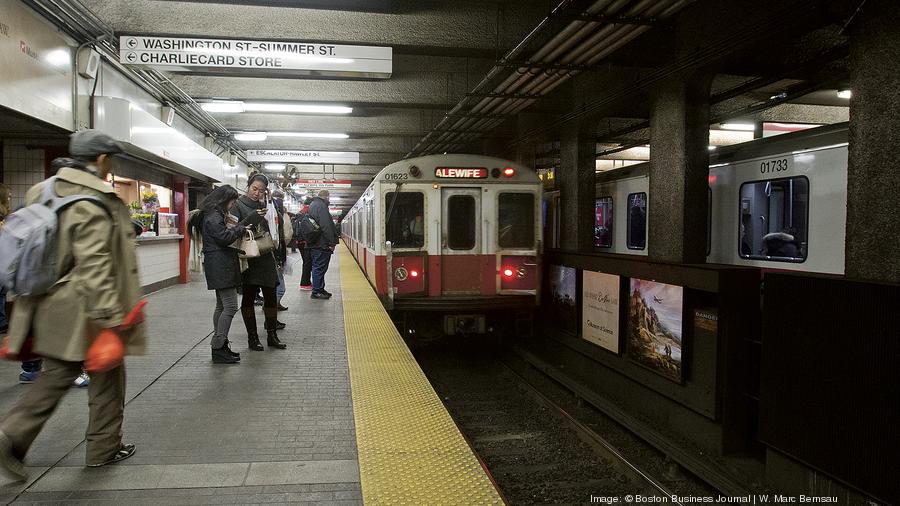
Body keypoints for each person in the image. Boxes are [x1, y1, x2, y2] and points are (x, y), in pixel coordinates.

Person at [0, 130, 145, 480]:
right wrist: (112, 320)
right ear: (100, 160)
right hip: (85, 309)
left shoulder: (42, 189)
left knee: (57, 376)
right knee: (108, 380)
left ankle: (13, 437)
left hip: (43, 302)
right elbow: (95, 264)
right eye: (110, 159)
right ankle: (101, 448)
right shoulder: (96, 198)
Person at [190, 185, 258, 364]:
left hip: (218, 264)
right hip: (221, 265)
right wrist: (240, 228)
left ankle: (221, 345)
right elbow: (224, 238)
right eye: (232, 201)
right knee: (230, 306)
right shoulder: (214, 216)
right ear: (224, 199)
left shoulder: (213, 214)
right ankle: (218, 346)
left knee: (221, 306)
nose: (233, 204)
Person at [230, 174, 287, 351]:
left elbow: (276, 227)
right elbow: (235, 230)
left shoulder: (266, 204)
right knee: (248, 298)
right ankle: (252, 338)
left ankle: (272, 335)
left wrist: (270, 201)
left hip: (266, 256)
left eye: (261, 190)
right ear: (248, 186)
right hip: (249, 257)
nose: (257, 193)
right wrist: (253, 217)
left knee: (270, 297)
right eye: (254, 188)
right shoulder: (237, 205)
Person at [307, 190, 340, 300]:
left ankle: (320, 288)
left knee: (319, 267)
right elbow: (326, 225)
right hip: (321, 243)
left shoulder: (314, 205)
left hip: (316, 242)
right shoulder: (321, 206)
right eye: (329, 197)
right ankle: (316, 291)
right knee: (319, 267)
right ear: (326, 197)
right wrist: (331, 242)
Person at [271, 190, 289, 312]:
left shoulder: (273, 209)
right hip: (274, 254)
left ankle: (273, 305)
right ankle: (273, 306)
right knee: (280, 287)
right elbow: (280, 237)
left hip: (275, 253)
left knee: (275, 286)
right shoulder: (275, 212)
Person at [296, 198, 314, 291]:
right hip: (305, 241)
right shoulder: (308, 212)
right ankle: (305, 283)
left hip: (299, 241)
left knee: (306, 262)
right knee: (307, 263)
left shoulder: (299, 213)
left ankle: (306, 282)